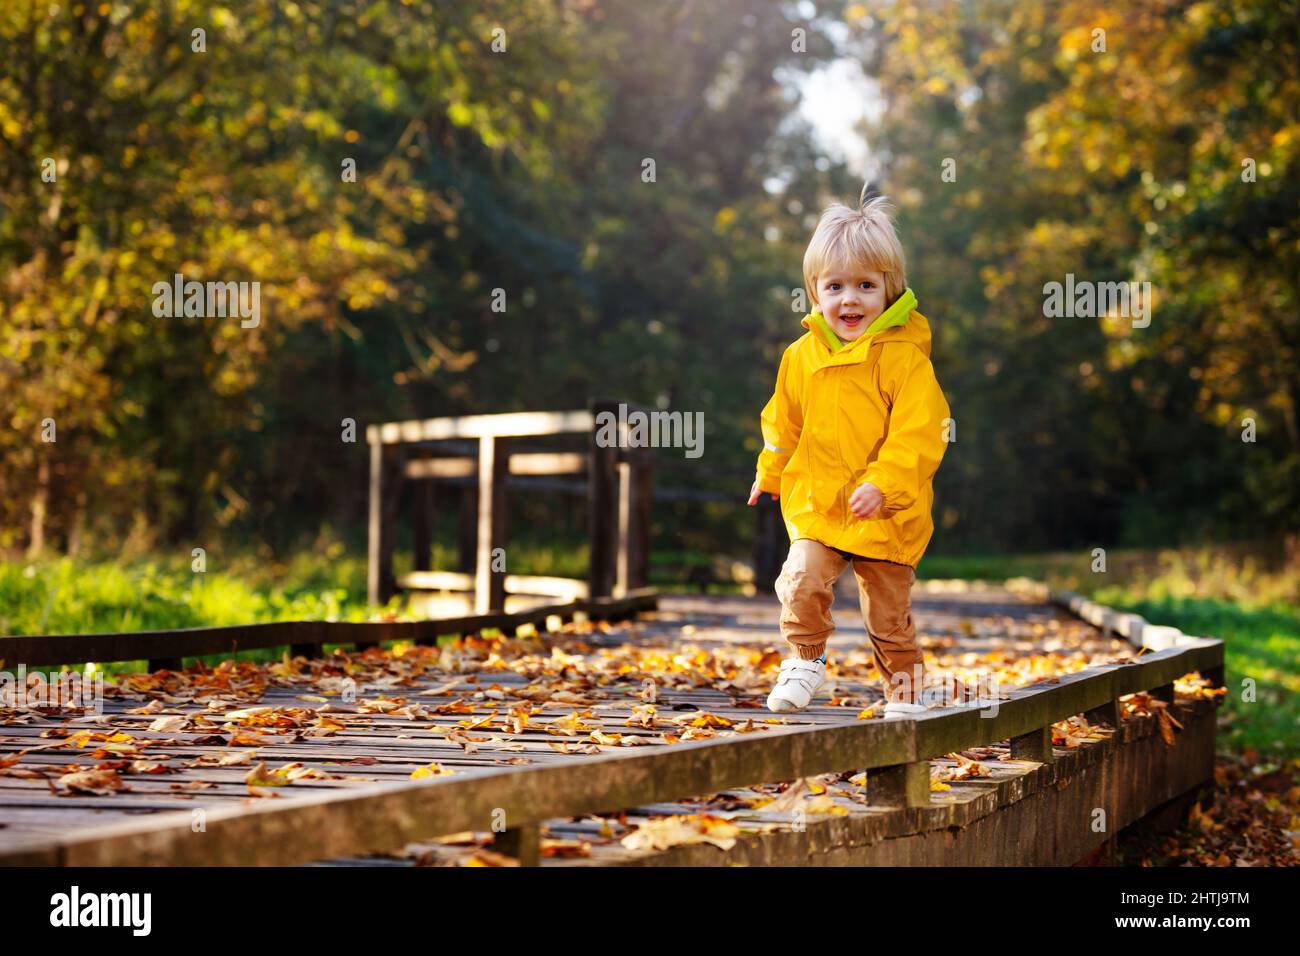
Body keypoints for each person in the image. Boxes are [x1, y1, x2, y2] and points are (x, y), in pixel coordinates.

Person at [747, 188, 951, 717]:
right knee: (800, 578)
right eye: (834, 286)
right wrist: (770, 470)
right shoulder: (800, 357)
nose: (850, 300)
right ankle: (805, 658)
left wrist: (883, 485)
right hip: (820, 504)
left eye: (865, 285)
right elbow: (782, 421)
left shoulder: (905, 360)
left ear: (891, 289)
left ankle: (905, 690)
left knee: (887, 616)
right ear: (814, 292)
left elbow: (920, 434)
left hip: (888, 513)